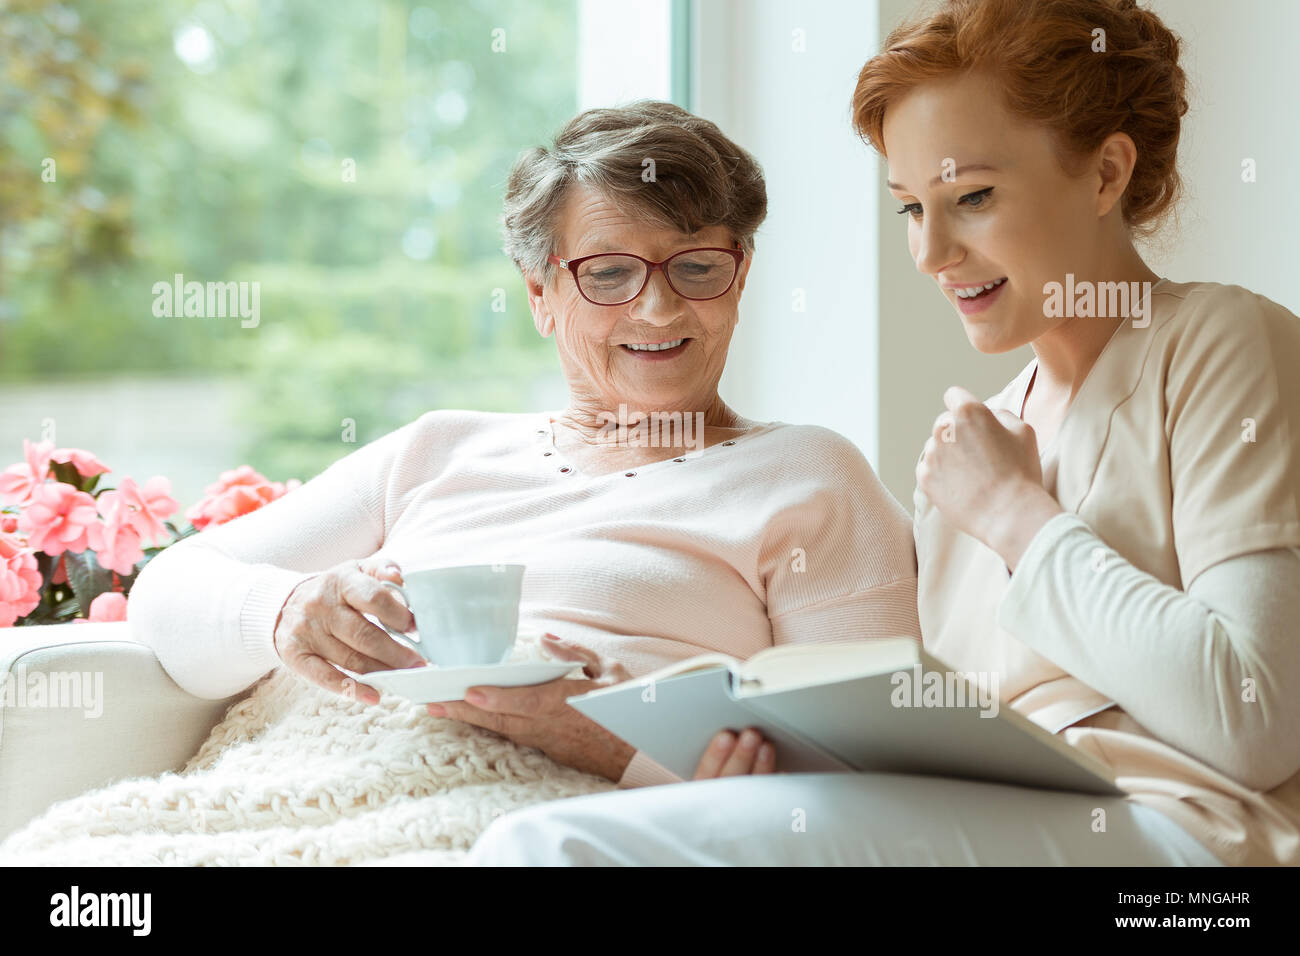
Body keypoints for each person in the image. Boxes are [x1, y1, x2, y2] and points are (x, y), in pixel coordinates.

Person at [465, 0, 1300, 866]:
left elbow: (1253, 720)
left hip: (1197, 850)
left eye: (972, 196)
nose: (932, 252)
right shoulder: (971, 445)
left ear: (1104, 174)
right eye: (911, 208)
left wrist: (1019, 516)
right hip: (1005, 825)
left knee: (546, 844)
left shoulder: (1220, 342)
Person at [127, 100, 921, 790]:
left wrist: (609, 742)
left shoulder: (807, 477)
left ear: (740, 276)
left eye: (697, 267)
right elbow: (168, 594)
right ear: (540, 293)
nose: (657, 310)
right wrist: (288, 610)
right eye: (609, 274)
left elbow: (867, 773)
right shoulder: (437, 451)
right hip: (296, 792)